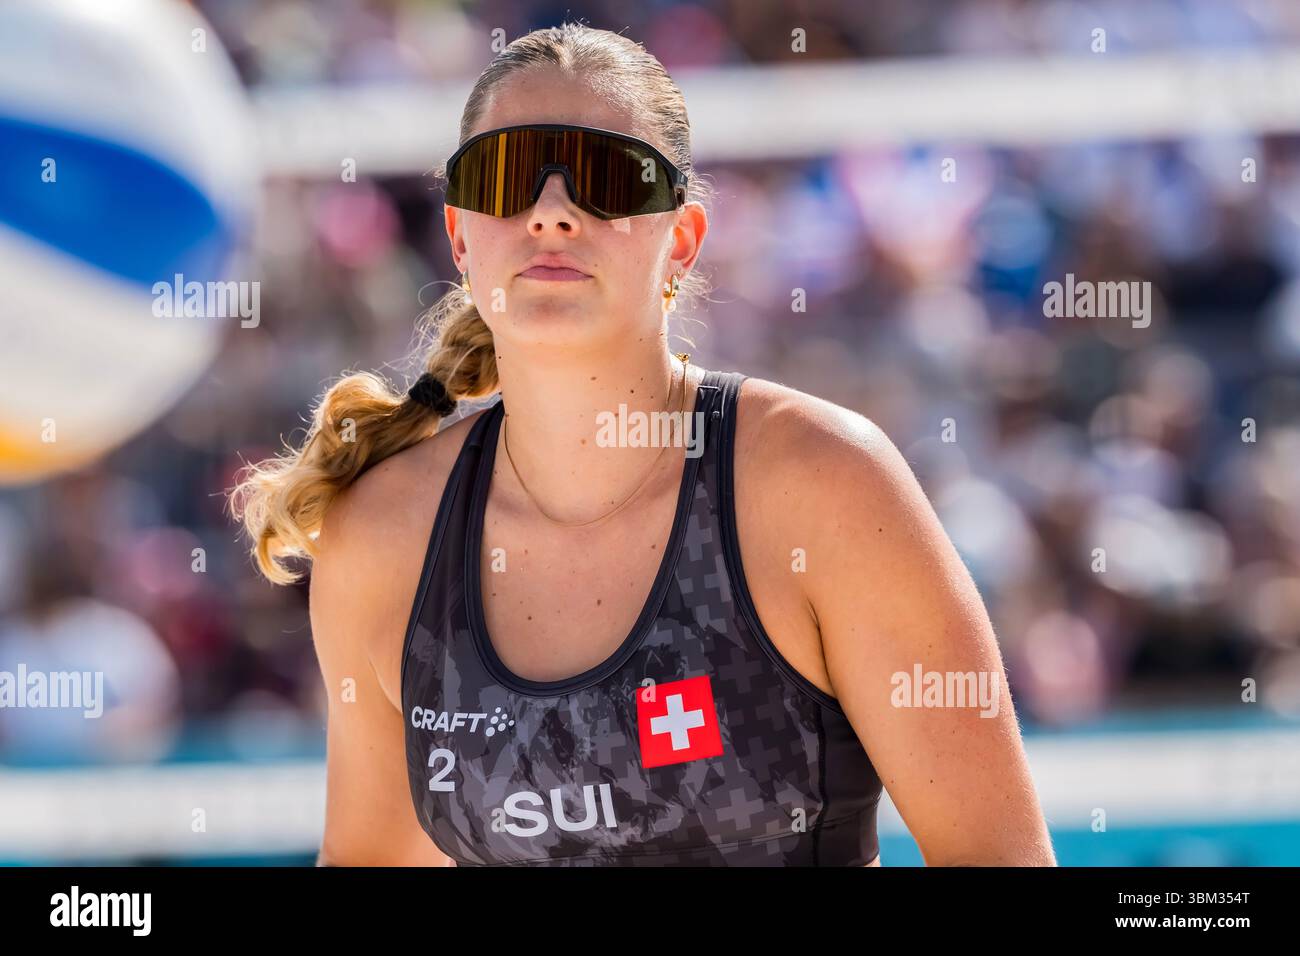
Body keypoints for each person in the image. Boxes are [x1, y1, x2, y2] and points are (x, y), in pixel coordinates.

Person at [230, 22, 1055, 867]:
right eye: (508, 177)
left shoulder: (820, 485)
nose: (552, 212)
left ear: (683, 241)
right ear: (460, 239)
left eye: (606, 179)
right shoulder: (385, 537)